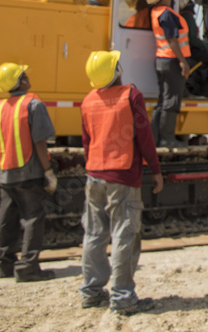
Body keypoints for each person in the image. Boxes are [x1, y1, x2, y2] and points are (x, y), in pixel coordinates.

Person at [79, 50, 164, 315]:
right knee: (124, 235)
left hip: (95, 175)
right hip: (123, 176)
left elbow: (86, 142)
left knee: (94, 234)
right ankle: (123, 297)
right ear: (116, 71)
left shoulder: (88, 101)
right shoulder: (131, 96)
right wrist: (156, 170)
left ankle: (91, 292)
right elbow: (145, 137)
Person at [0, 62, 58, 282]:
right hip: (29, 171)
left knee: (6, 217)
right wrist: (47, 171)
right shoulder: (34, 105)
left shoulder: (0, 108)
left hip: (6, 171)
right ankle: (28, 267)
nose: (28, 77)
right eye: (25, 75)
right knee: (32, 218)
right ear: (21, 81)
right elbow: (40, 141)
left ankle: (4, 265)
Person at [143, 0, 191, 147]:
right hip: (172, 61)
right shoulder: (167, 15)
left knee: (162, 101)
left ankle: (155, 138)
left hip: (161, 60)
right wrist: (183, 62)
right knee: (172, 100)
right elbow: (173, 41)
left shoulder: (156, 11)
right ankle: (167, 139)